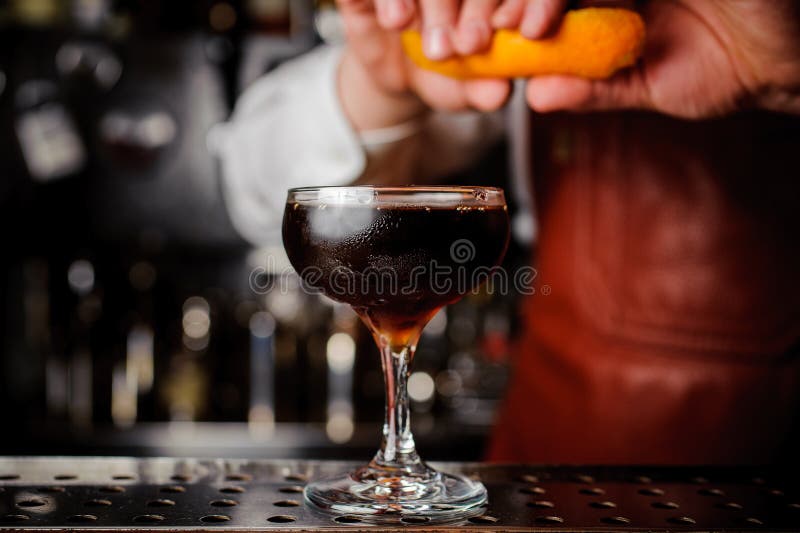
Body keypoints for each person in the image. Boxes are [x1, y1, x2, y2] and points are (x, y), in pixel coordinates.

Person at [213, 0, 800, 463]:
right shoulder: (523, 28)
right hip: (546, 465)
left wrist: (782, 70)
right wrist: (381, 82)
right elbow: (256, 189)